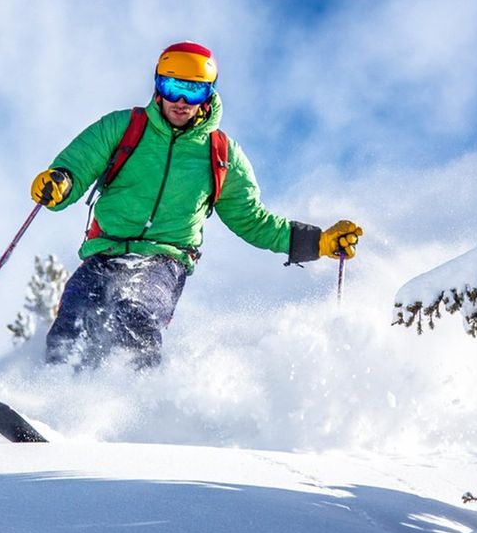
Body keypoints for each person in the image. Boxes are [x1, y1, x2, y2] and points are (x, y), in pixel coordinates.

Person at [30, 40, 362, 369]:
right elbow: (78, 165)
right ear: (158, 86)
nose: (181, 101)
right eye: (172, 87)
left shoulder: (220, 154)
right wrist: (60, 182)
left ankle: (134, 401)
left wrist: (317, 242)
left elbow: (252, 220)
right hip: (106, 252)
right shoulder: (124, 127)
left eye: (194, 91)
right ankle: (56, 394)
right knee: (74, 317)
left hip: (164, 261)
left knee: (134, 313)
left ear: (209, 94)